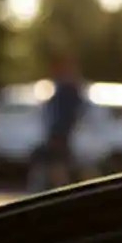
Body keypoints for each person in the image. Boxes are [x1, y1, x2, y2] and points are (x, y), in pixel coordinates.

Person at [40, 53, 87, 189]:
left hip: (63, 134)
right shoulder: (63, 87)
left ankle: (63, 190)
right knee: (60, 165)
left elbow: (67, 114)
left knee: (60, 166)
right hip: (61, 134)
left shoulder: (69, 89)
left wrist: (59, 133)